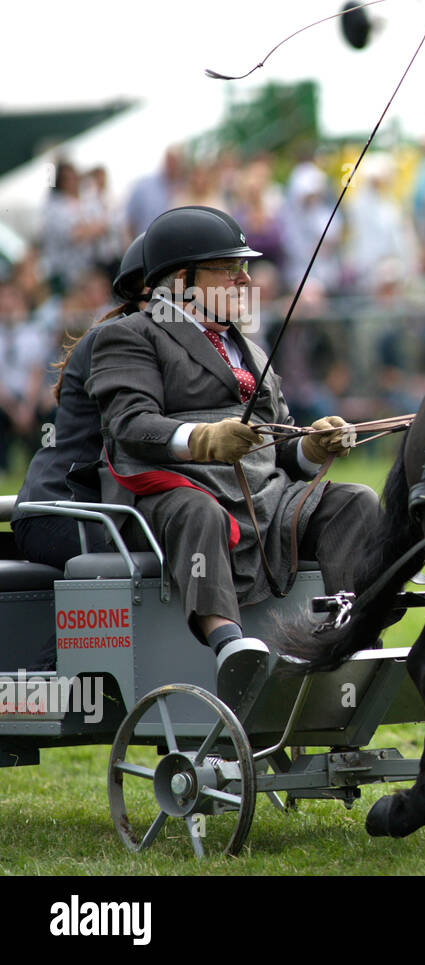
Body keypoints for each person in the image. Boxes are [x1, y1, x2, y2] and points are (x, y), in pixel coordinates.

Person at [85, 205, 378, 671]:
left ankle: (352, 628)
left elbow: (279, 450)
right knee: (200, 512)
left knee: (355, 501)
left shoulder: (250, 348)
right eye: (229, 269)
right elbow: (130, 425)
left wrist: (311, 447)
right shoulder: (131, 336)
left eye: (245, 267)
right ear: (182, 279)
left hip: (266, 497)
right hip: (177, 492)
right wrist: (204, 439)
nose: (245, 279)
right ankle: (230, 646)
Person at [13, 235, 148, 568]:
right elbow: (140, 430)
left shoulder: (151, 336)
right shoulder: (119, 338)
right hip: (62, 507)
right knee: (124, 574)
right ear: (149, 287)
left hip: (98, 506)